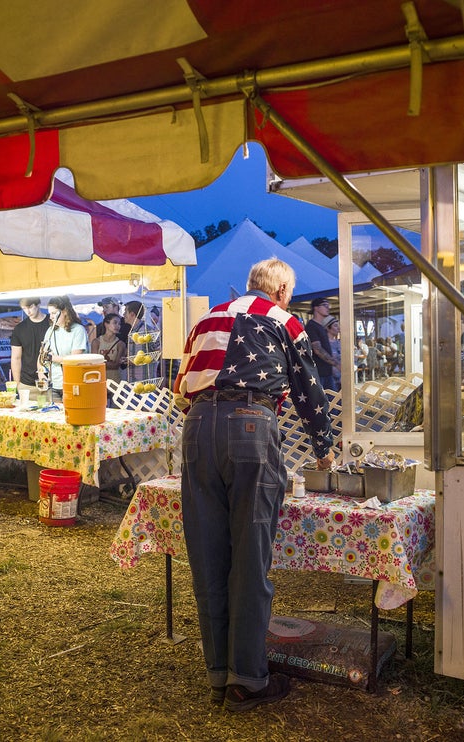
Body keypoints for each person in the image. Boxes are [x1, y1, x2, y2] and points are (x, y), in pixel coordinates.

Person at [173, 258, 335, 713]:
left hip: (198, 427)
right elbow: (308, 390)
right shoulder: (284, 320)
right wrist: (324, 447)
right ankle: (247, 680)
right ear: (281, 289)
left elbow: (182, 386)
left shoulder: (206, 319)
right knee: (249, 555)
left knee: (207, 555)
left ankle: (217, 676)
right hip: (251, 425)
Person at [39, 296, 88, 394]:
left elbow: (74, 359)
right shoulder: (50, 330)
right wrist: (41, 374)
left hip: (73, 383)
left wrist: (51, 357)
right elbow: (41, 356)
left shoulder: (78, 330)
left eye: (54, 313)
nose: (51, 317)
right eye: (50, 314)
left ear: (65, 311)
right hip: (53, 384)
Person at [10, 297, 51, 393]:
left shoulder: (52, 324)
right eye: (24, 308)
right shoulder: (19, 329)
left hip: (50, 382)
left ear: (38, 304)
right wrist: (17, 384)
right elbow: (16, 358)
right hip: (27, 384)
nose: (27, 311)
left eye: (30, 307)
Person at [305, 297, 338, 390]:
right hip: (319, 373)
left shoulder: (321, 327)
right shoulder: (311, 326)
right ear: (316, 308)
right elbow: (318, 349)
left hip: (326, 372)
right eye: (325, 305)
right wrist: (335, 363)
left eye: (329, 305)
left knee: (333, 401)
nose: (328, 308)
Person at [92, 313, 126, 383]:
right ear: (106, 324)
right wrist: (110, 364)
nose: (118, 326)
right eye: (115, 323)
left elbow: (116, 365)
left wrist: (100, 363)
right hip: (100, 381)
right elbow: (94, 363)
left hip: (115, 382)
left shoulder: (120, 344)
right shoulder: (96, 342)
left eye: (119, 324)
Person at [322, 315, 342, 391]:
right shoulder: (324, 345)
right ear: (328, 328)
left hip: (341, 378)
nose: (338, 328)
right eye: (335, 326)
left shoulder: (338, 343)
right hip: (330, 379)